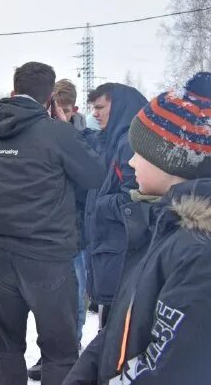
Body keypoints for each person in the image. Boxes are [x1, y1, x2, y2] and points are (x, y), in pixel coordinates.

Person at [64, 72, 211, 384]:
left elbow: (169, 368)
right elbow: (119, 325)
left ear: (173, 162)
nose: (130, 163)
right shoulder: (166, 225)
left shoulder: (198, 254)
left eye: (139, 153)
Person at [0, 62, 105, 385]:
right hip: (49, 260)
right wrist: (69, 128)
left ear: (14, 92)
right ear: (50, 100)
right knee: (60, 354)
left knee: (8, 351)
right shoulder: (58, 134)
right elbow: (95, 175)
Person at [28, 78, 91, 381]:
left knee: (75, 299)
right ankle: (50, 354)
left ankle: (72, 352)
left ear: (74, 109)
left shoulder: (85, 138)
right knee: (50, 301)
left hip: (76, 235)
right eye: (56, 110)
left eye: (65, 110)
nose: (60, 116)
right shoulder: (45, 134)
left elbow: (86, 184)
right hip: (47, 236)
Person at [84, 83, 147, 327]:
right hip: (112, 253)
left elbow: (136, 198)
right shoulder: (115, 140)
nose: (95, 114)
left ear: (119, 106)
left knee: (115, 334)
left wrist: (101, 204)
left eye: (100, 107)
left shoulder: (130, 143)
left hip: (123, 255)